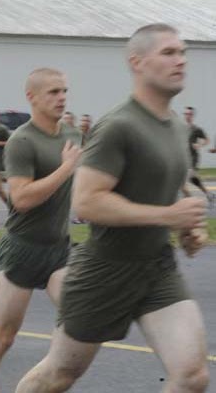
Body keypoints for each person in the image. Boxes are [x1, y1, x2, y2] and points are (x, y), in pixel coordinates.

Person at [15, 24, 209, 393]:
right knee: (57, 375)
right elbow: (87, 201)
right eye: (169, 52)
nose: (181, 60)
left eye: (183, 52)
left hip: (157, 268)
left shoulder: (177, 128)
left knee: (192, 376)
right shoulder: (118, 126)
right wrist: (167, 217)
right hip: (104, 271)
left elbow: (161, 193)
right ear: (137, 62)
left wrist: (187, 228)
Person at [0, 68, 82, 392]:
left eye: (64, 91)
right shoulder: (22, 141)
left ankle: (41, 383)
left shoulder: (73, 136)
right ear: (31, 97)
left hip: (59, 251)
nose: (62, 98)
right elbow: (20, 199)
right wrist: (66, 168)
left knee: (80, 318)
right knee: (3, 338)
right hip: (22, 251)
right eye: (53, 92)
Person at [181, 106, 213, 202]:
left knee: (182, 183)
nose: (187, 116)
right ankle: (209, 194)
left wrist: (199, 145)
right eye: (186, 114)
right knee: (194, 179)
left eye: (189, 114)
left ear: (192, 116)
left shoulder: (196, 129)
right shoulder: (181, 128)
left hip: (193, 159)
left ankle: (191, 203)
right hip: (184, 158)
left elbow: (207, 140)